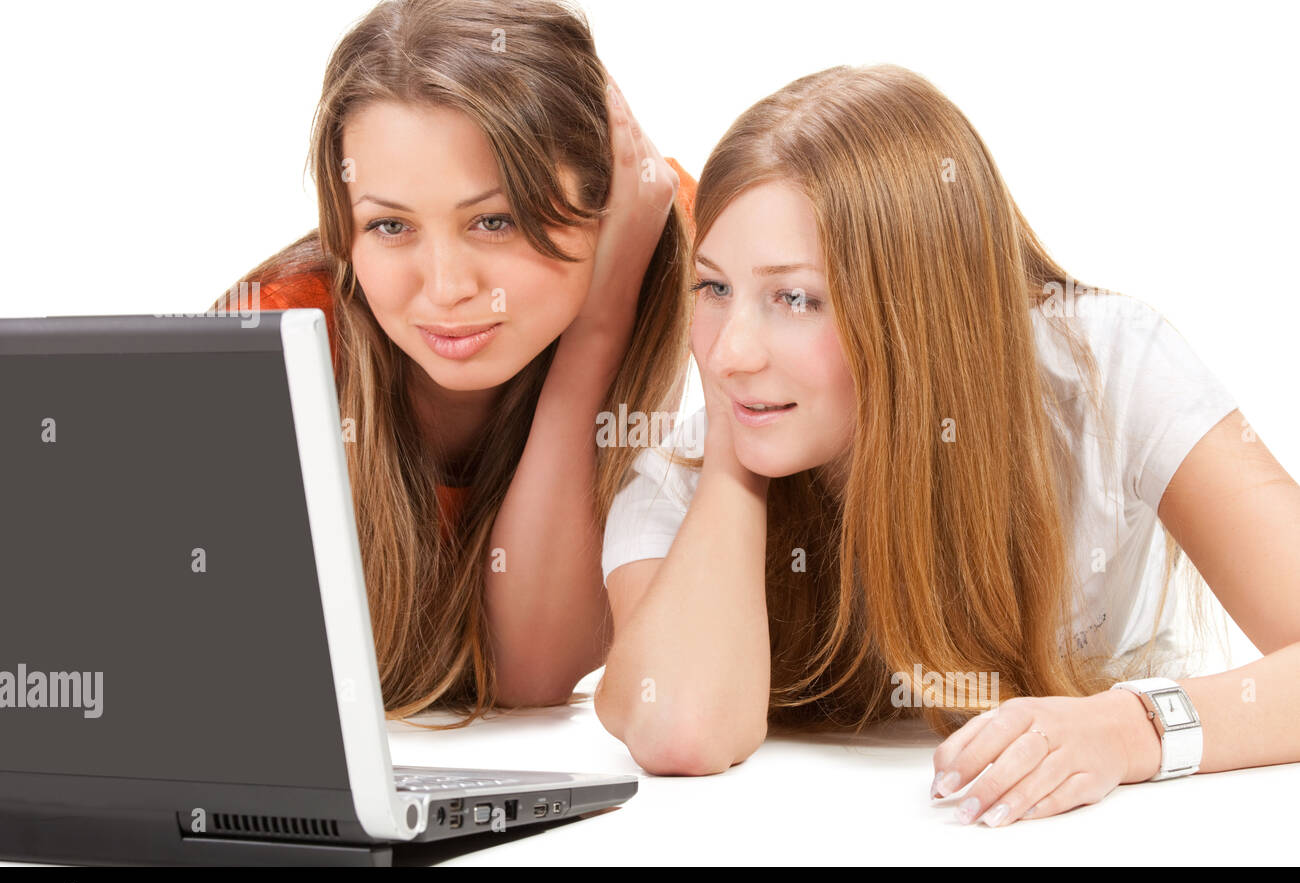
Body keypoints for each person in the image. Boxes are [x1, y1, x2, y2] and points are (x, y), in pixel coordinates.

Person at [597, 64, 1300, 827]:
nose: (728, 352)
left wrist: (1129, 730)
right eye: (714, 288)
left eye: (793, 297)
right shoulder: (680, 474)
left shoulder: (1109, 371)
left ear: (914, 309)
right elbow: (680, 729)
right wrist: (736, 458)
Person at [210, 0, 698, 725]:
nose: (445, 289)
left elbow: (533, 673)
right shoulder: (270, 346)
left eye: (494, 221)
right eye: (390, 225)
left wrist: (600, 325)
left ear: (605, 206)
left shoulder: (653, 240)